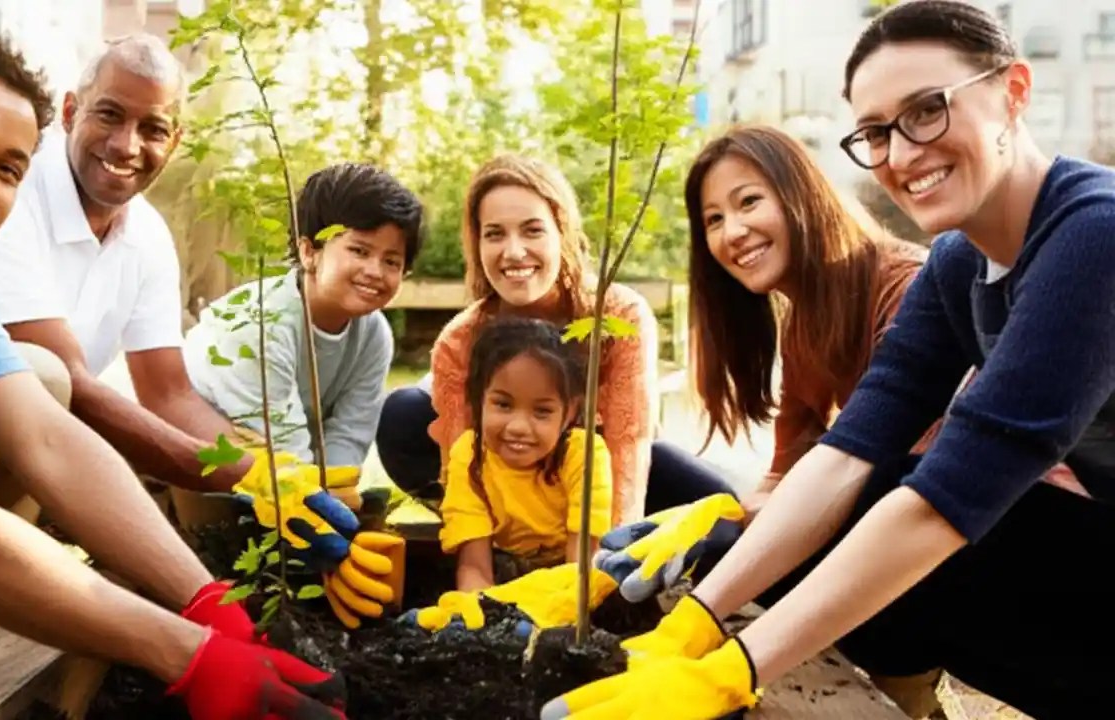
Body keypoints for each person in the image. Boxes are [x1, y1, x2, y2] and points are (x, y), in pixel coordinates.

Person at [542, 2, 1115, 718]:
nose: (902, 154)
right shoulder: (954, 266)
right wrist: (693, 625)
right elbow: (846, 451)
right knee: (847, 499)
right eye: (876, 133)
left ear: (1014, 91)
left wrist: (730, 675)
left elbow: (957, 487)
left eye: (927, 110)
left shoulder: (1095, 232)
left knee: (917, 502)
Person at [0, 18, 344, 719]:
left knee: (36, 385)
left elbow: (48, 435)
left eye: (7, 168)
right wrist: (184, 654)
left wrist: (209, 604)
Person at [0, 34, 253, 525]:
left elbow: (169, 394)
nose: (126, 145)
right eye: (110, 115)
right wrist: (241, 476)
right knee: (43, 383)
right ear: (70, 112)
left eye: (153, 128)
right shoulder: (15, 189)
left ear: (174, 141)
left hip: (34, 436)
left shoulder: (148, 236)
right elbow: (64, 377)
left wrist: (267, 468)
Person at [377, 154, 734, 527]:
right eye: (495, 233)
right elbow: (461, 466)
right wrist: (477, 549)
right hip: (509, 486)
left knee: (721, 511)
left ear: (562, 235)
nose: (514, 252)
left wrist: (605, 558)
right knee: (405, 413)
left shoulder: (619, 316)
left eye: (532, 230)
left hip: (598, 475)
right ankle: (518, 545)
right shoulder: (461, 338)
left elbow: (628, 443)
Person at [682, 124, 931, 520]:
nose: (732, 232)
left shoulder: (907, 287)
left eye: (748, 202)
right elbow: (783, 473)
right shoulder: (802, 325)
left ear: (801, 194)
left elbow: (889, 464)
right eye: (713, 220)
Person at [183, 162, 424, 470]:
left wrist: (338, 489)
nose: (375, 272)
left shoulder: (374, 335)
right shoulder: (261, 323)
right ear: (309, 252)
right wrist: (316, 499)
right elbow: (283, 442)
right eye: (360, 251)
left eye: (391, 261)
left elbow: (350, 432)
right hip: (201, 449)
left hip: (276, 465)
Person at [439, 316, 613, 591]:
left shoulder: (584, 453)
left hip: (571, 574)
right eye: (503, 405)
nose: (519, 427)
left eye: (542, 411)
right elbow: (474, 566)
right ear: (479, 400)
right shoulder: (469, 454)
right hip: (505, 570)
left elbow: (583, 565)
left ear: (569, 413)